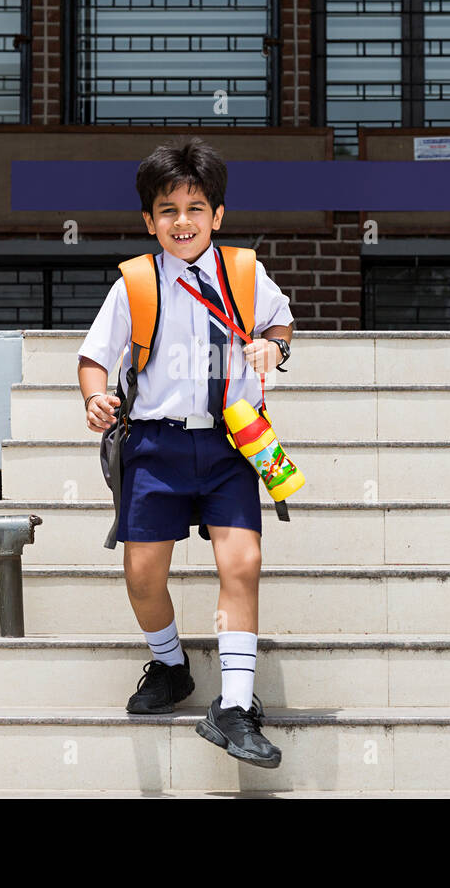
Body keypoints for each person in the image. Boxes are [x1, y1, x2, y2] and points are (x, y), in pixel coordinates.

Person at [77, 136, 294, 768]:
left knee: (243, 562)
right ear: (149, 221)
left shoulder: (247, 275)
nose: (182, 221)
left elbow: (281, 325)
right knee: (144, 573)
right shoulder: (135, 285)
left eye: (195, 208)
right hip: (155, 443)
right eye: (167, 210)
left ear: (217, 216)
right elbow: (94, 358)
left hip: (231, 441)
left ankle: (235, 706)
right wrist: (95, 399)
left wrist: (272, 349)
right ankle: (170, 666)